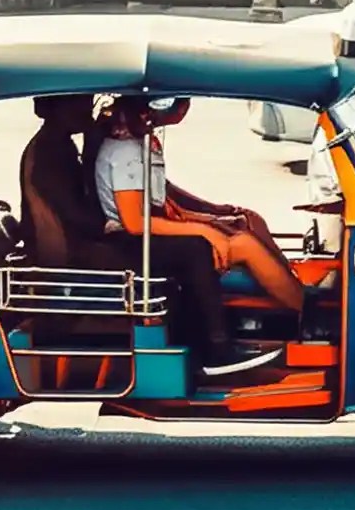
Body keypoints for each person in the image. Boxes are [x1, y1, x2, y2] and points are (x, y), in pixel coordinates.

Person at [90, 95, 301, 383]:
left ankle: (293, 294)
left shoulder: (140, 144)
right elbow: (135, 222)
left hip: (141, 235)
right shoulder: (126, 151)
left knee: (246, 223)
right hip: (128, 242)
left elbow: (163, 191)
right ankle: (228, 346)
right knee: (235, 245)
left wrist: (212, 215)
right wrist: (205, 229)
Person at [19, 95, 115, 266]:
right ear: (56, 107)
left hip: (71, 243)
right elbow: (79, 216)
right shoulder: (49, 152)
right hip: (63, 251)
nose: (88, 107)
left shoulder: (60, 145)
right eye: (80, 101)